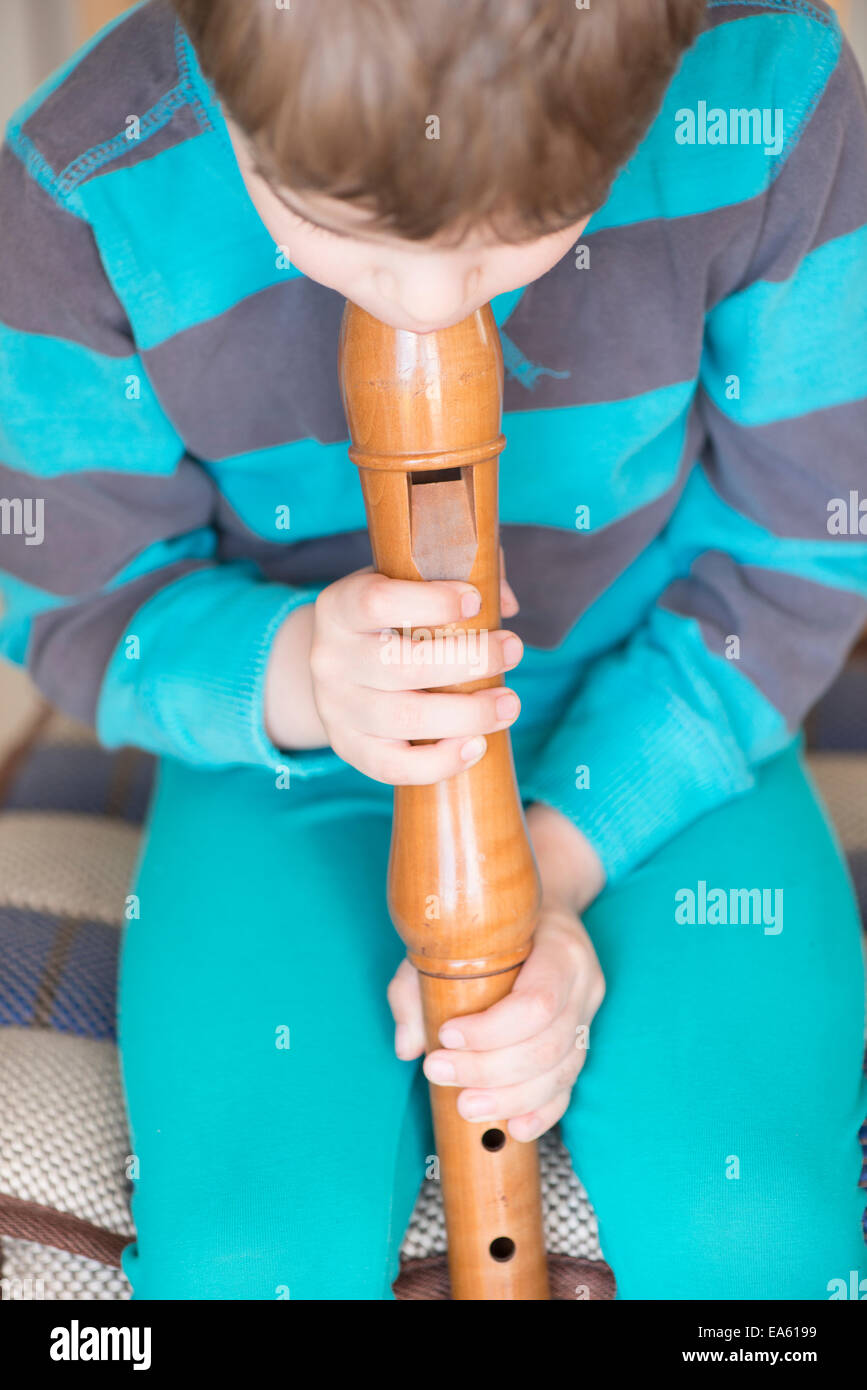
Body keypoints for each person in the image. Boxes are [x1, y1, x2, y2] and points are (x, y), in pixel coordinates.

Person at [0, 0, 864, 1299]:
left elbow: (799, 555)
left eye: (515, 240)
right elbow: (77, 608)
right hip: (285, 749)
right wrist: (294, 670)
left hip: (668, 702)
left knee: (759, 1240)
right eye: (334, 231)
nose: (426, 310)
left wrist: (551, 876)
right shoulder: (83, 186)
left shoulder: (772, 97)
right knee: (249, 1257)